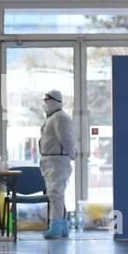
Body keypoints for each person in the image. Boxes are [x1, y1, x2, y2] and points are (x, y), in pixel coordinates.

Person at [38, 89, 77, 239]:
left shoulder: (60, 117)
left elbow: (66, 139)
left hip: (57, 161)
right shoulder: (53, 117)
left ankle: (56, 225)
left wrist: (72, 154)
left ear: (55, 101)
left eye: (47, 101)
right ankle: (62, 225)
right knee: (56, 194)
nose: (45, 104)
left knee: (56, 193)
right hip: (51, 161)